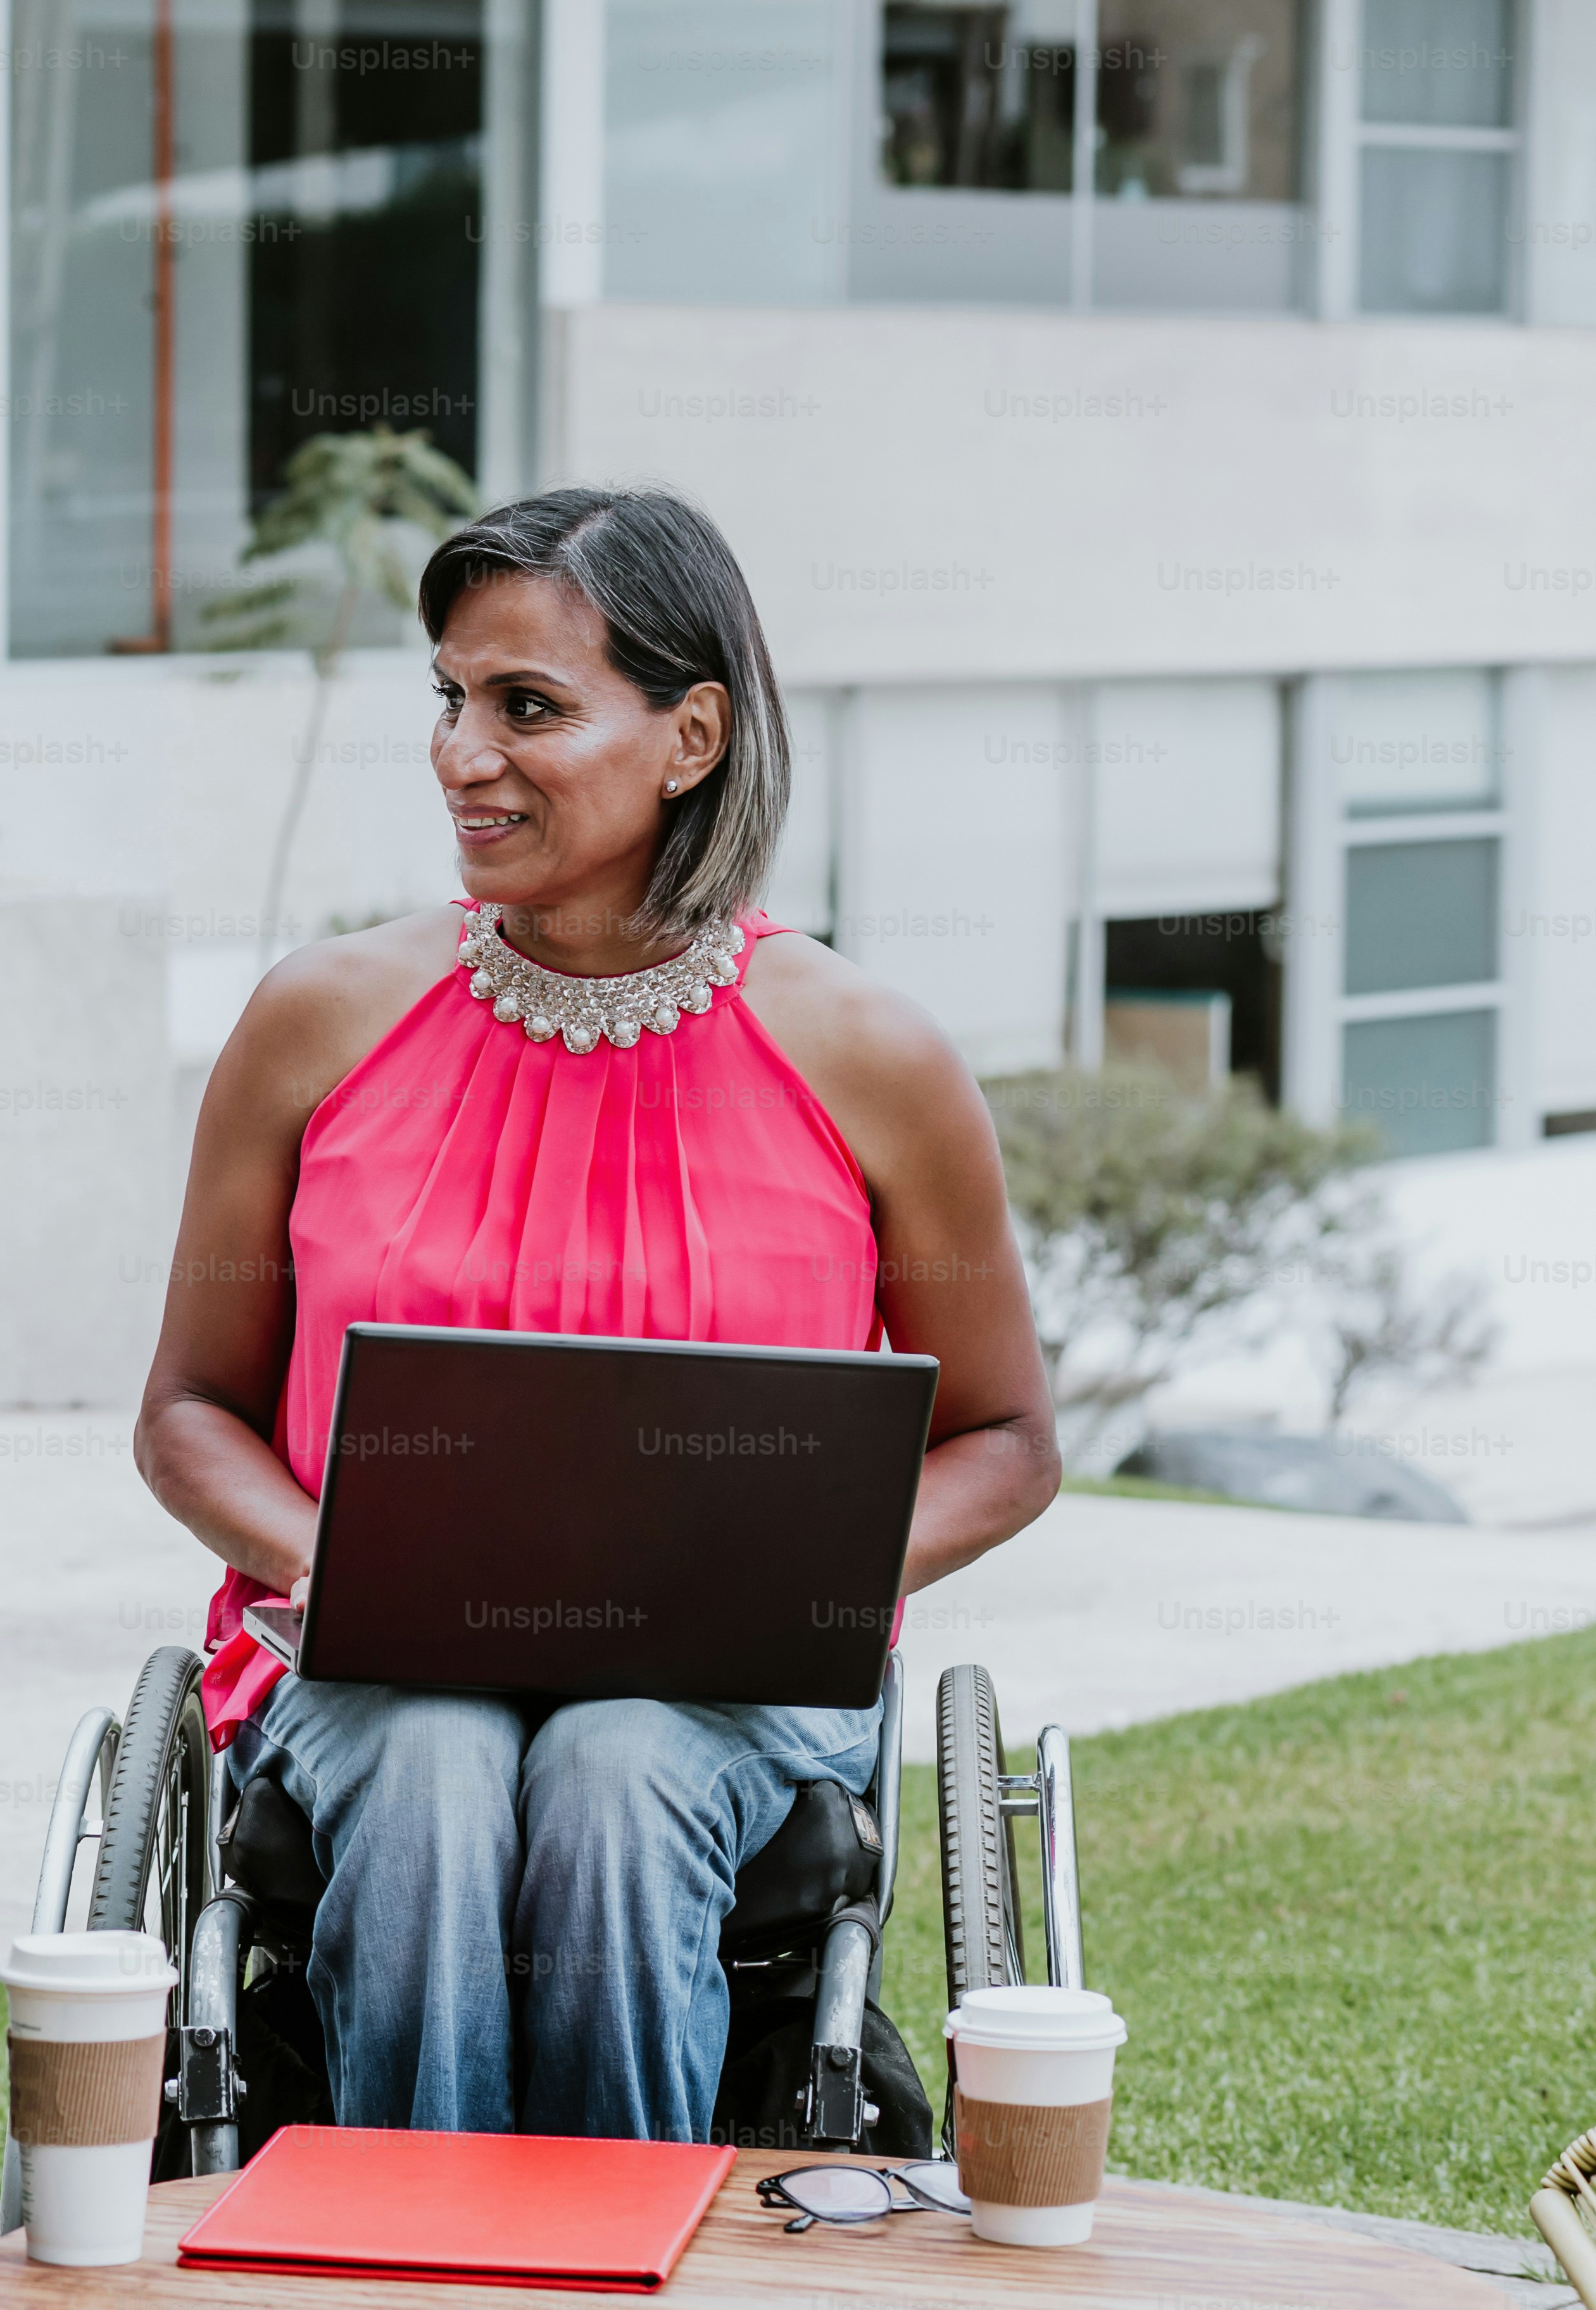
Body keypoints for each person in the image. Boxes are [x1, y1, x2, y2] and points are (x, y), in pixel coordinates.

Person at [134, 487, 1058, 2143]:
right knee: (430, 1772)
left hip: (726, 1681)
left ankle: (614, 2236)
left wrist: (796, 1583)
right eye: (450, 698)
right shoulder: (318, 1022)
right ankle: (410, 2239)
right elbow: (189, 1413)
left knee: (618, 1774)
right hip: (366, 1663)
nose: (462, 755)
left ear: (692, 736)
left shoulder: (872, 1058)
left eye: (528, 707)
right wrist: (328, 1561)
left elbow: (1006, 1440)